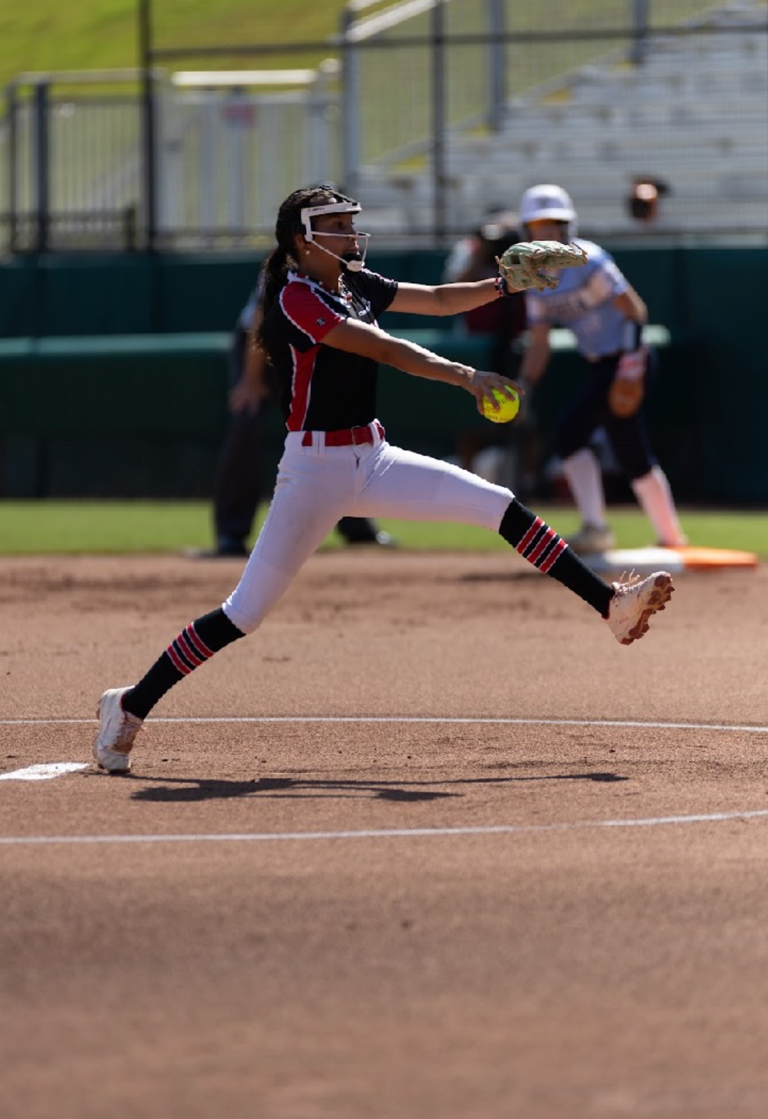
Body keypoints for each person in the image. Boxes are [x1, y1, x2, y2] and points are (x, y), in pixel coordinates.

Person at [93, 183, 674, 774]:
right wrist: (467, 377)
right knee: (243, 613)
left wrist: (503, 286)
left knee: (498, 504)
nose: (350, 234)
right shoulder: (295, 297)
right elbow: (385, 349)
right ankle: (131, 705)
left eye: (350, 223)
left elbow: (440, 299)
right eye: (337, 226)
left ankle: (610, 605)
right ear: (302, 240)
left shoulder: (352, 283)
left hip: (373, 458)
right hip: (313, 472)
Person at [515, 183, 687, 555]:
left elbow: (635, 311)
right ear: (526, 232)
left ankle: (597, 528)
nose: (546, 232)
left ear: (567, 227)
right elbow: (540, 342)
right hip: (601, 366)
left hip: (627, 358)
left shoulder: (588, 261)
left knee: (569, 434)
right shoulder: (535, 278)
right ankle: (671, 537)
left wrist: (630, 367)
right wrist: (524, 384)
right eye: (538, 225)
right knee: (628, 447)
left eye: (552, 224)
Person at [206, 279, 395, 557]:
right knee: (247, 421)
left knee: (341, 425)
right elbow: (260, 317)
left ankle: (356, 525)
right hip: (260, 347)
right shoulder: (291, 263)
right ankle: (231, 533)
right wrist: (251, 379)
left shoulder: (346, 270)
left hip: (314, 341)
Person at [442, 210, 537, 495]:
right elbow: (450, 290)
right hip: (477, 346)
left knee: (526, 420)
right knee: (470, 421)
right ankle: (467, 483)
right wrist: (482, 253)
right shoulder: (470, 251)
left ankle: (529, 484)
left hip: (517, 344)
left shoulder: (522, 254)